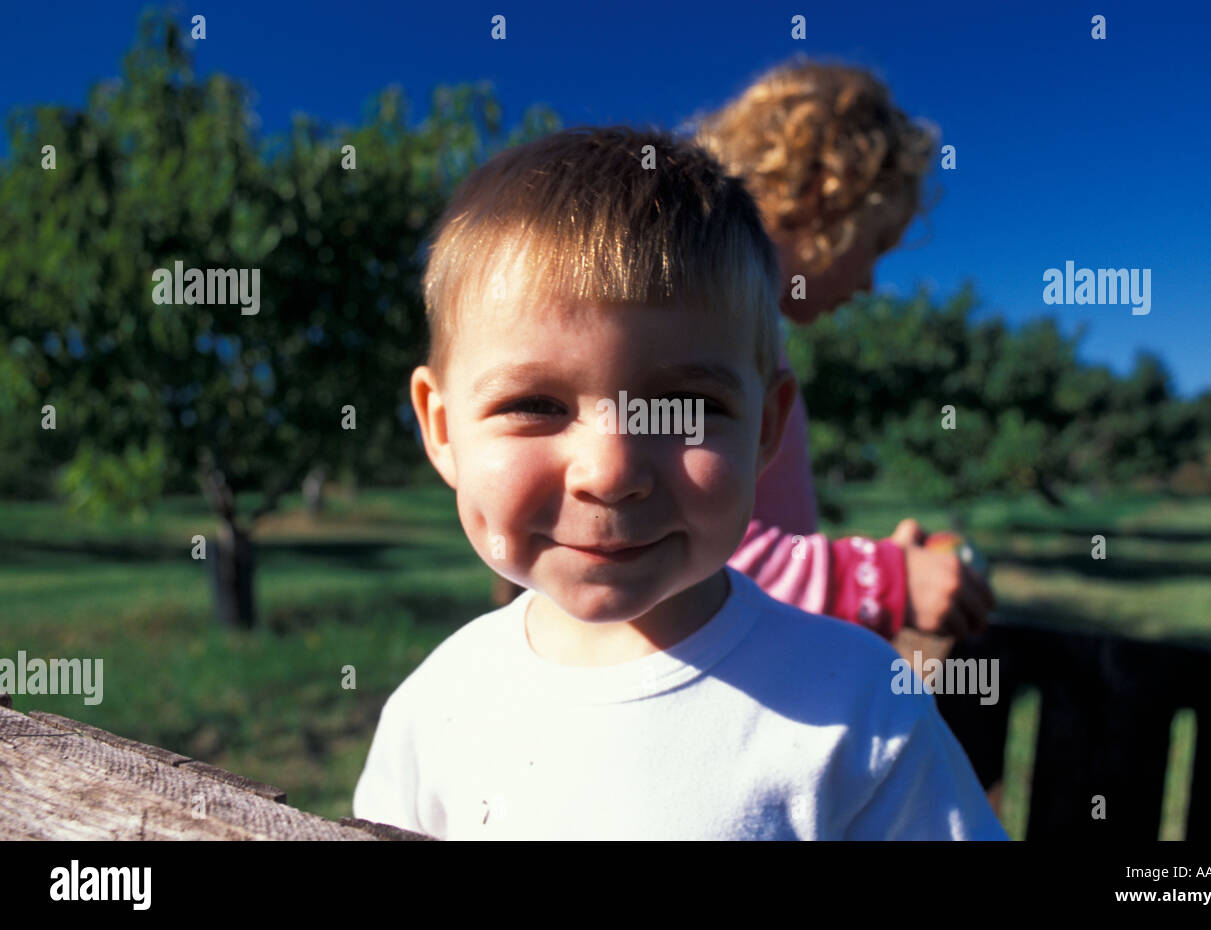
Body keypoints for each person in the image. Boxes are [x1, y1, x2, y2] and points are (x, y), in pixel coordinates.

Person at [353, 126, 1007, 839]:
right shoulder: (435, 710)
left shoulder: (860, 712)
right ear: (442, 430)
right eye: (535, 405)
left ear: (766, 428)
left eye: (685, 409)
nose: (609, 472)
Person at [688, 57, 995, 642]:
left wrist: (873, 566)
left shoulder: (749, 339)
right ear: (822, 198)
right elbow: (675, 542)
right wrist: (882, 579)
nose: (871, 285)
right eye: (875, 245)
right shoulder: (700, 330)